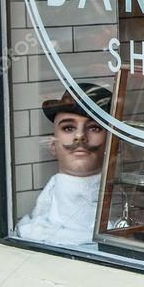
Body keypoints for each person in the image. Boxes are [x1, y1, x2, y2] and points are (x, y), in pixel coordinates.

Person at [15, 84, 112, 247]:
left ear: (112, 145)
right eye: (68, 128)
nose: (80, 136)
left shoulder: (116, 200)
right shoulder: (40, 222)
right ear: (53, 146)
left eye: (94, 128)